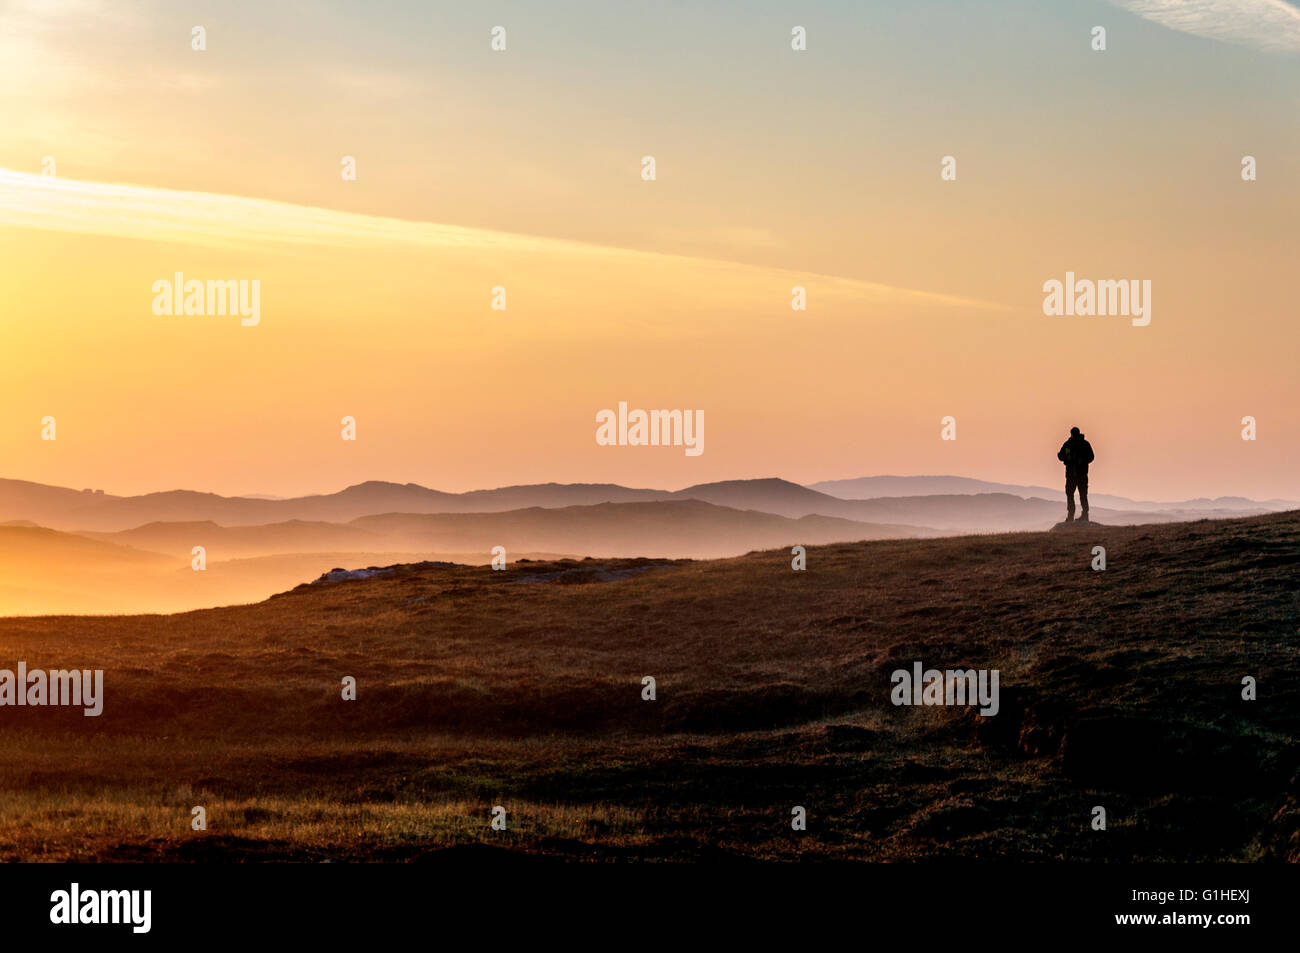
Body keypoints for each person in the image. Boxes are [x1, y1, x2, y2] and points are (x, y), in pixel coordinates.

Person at [1057, 427, 1094, 522]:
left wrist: (1080, 460)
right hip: (1078, 475)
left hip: (1074, 475)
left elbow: (1060, 456)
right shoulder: (1082, 444)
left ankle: (1072, 516)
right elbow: (1061, 456)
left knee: (1073, 495)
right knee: (1081, 495)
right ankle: (1082, 515)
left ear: (1071, 434)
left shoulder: (1069, 444)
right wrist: (1069, 458)